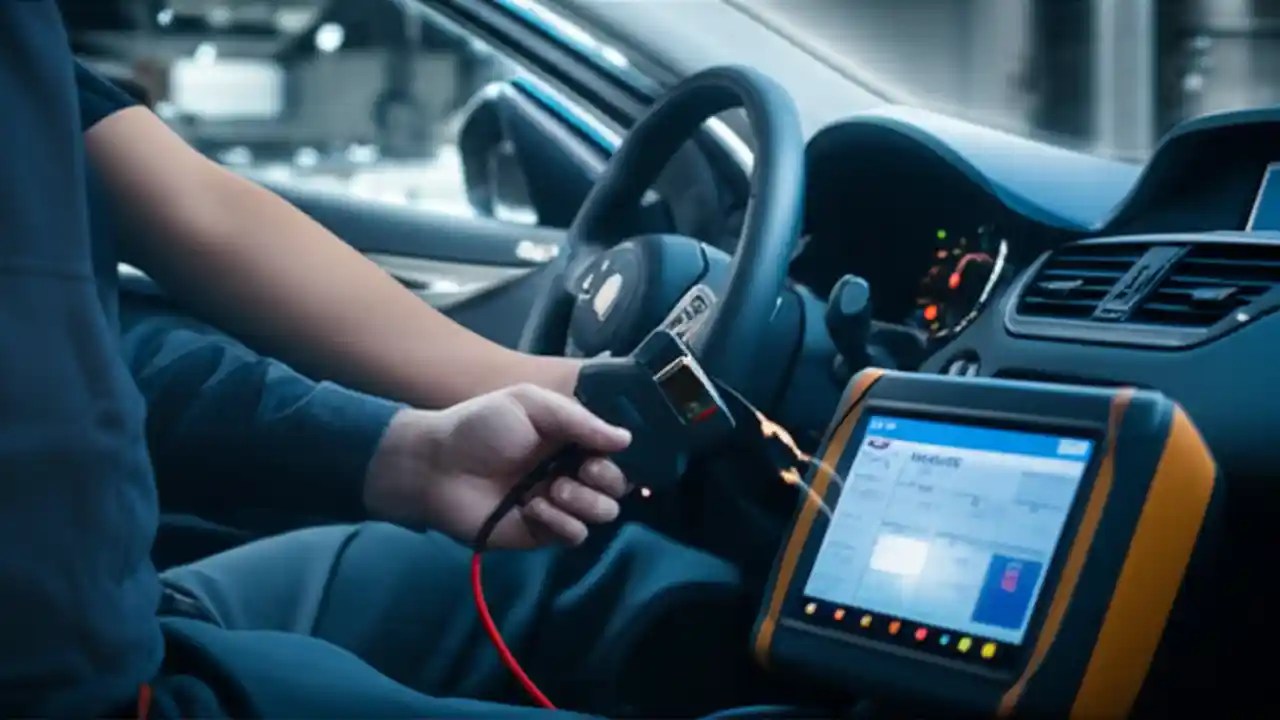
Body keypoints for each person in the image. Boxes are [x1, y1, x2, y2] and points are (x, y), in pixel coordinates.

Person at [0, 6, 755, 717]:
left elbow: (178, 233)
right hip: (86, 691)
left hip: (134, 620)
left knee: (607, 575)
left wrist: (406, 451)